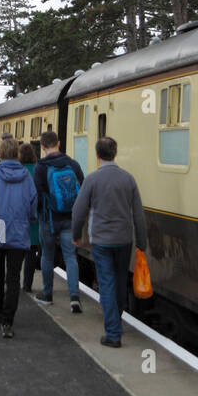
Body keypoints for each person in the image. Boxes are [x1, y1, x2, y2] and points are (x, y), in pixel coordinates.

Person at [71, 136, 147, 349]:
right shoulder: (128, 179)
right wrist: (142, 241)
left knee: (106, 282)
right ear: (115, 153)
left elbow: (78, 211)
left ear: (97, 155)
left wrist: (76, 235)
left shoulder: (92, 180)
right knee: (120, 281)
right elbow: (138, 214)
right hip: (124, 239)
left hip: (101, 240)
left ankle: (113, 332)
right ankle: (116, 319)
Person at [0, 137, 37, 338]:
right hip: (19, 231)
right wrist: (29, 219)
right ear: (18, 153)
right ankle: (8, 320)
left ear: (1, 153)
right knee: (13, 276)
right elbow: (33, 203)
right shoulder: (26, 175)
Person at [32, 130, 84, 313]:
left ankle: (47, 294)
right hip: (69, 218)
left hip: (48, 219)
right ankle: (74, 298)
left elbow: (36, 195)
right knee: (71, 256)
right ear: (59, 143)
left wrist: (38, 213)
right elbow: (82, 190)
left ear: (43, 147)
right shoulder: (73, 164)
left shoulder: (41, 167)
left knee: (47, 254)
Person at [18, 142, 41, 294]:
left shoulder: (18, 171)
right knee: (32, 252)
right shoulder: (38, 170)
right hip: (35, 216)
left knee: (17, 252)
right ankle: (27, 284)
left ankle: (13, 280)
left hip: (19, 216)